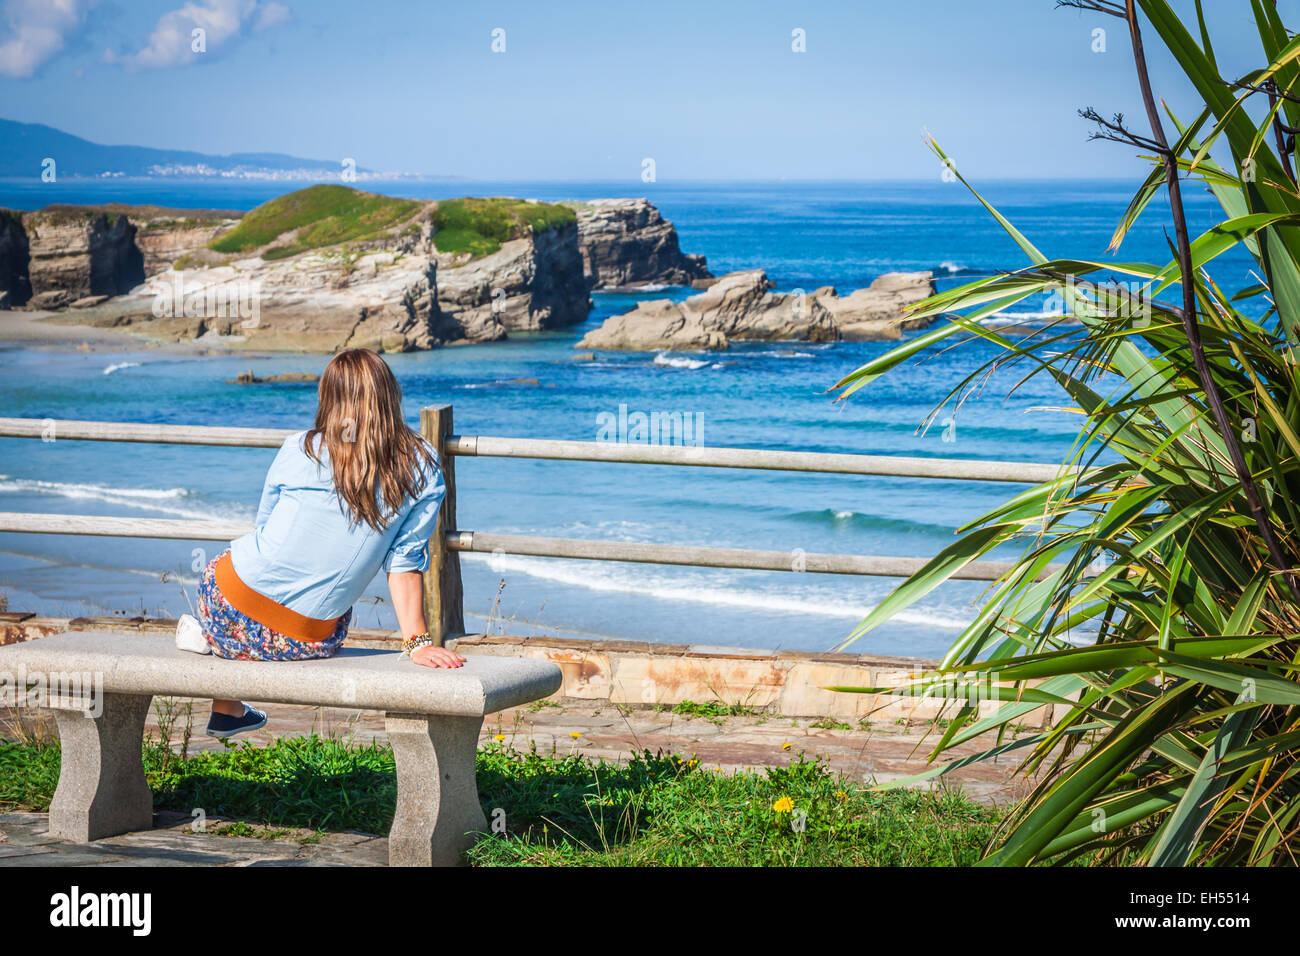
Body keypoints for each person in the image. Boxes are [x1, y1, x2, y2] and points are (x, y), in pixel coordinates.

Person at [188, 348, 465, 739]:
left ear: (329, 397)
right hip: (299, 637)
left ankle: (224, 693)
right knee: (330, 611)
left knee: (255, 584)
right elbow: (404, 562)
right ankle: (224, 694)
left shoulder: (298, 447)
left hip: (224, 595)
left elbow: (265, 530)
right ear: (390, 394)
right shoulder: (422, 465)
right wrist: (417, 644)